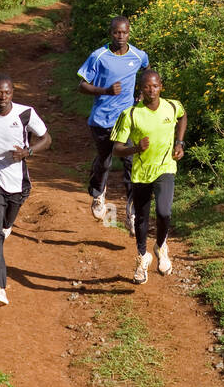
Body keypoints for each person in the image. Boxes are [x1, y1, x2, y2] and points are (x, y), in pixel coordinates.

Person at [0, 74, 51, 308]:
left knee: (2, 229)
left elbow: (46, 138)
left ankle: (4, 228)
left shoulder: (25, 114)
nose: (2, 97)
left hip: (18, 183)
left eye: (7, 92)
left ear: (13, 92)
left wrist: (28, 152)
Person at [110, 69, 186, 284]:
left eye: (155, 86)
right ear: (140, 89)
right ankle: (142, 257)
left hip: (165, 168)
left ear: (161, 86)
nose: (151, 90)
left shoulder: (172, 106)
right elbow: (117, 148)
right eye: (146, 87)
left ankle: (161, 245)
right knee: (141, 218)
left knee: (164, 212)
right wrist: (135, 149)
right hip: (141, 173)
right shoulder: (131, 115)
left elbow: (182, 116)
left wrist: (179, 143)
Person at [77, 16, 148, 230]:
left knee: (130, 164)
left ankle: (132, 212)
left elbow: (148, 71)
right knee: (105, 160)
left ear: (129, 32)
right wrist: (105, 91)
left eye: (124, 32)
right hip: (101, 119)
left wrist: (141, 95)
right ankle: (98, 193)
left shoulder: (138, 55)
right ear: (111, 33)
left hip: (126, 120)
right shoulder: (98, 56)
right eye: (117, 32)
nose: (121, 36)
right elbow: (82, 85)